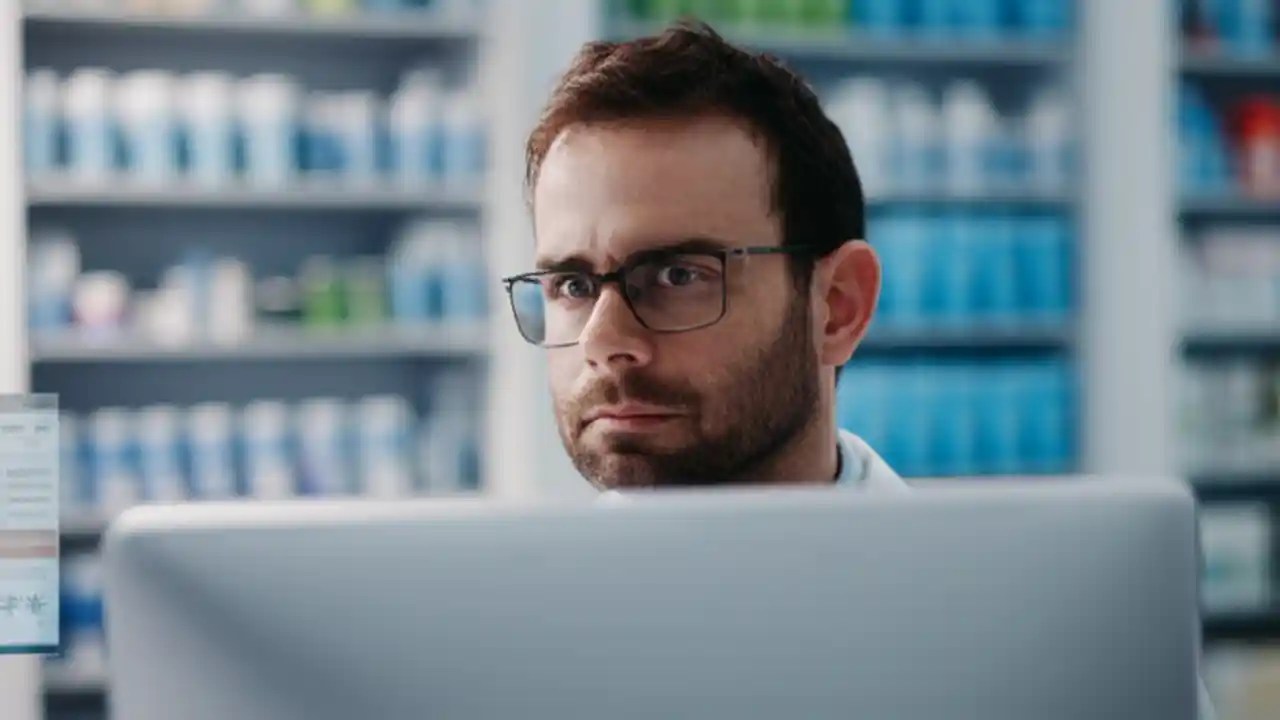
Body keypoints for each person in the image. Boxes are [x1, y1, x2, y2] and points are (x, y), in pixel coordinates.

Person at [504, 21, 1212, 716]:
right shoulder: (502, 647)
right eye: (570, 285)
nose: (604, 340)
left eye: (678, 275)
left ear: (837, 308)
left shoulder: (1053, 652)